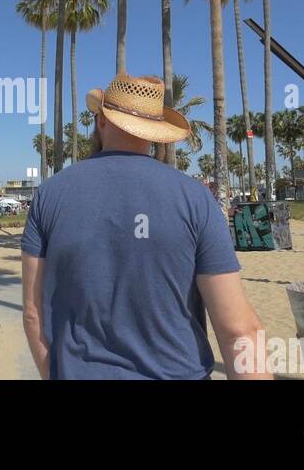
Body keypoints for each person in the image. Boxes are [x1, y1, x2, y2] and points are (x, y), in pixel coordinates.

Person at [21, 72, 271, 380]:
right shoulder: (194, 197)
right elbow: (238, 330)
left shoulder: (50, 193)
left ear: (101, 121)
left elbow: (33, 314)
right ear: (155, 132)